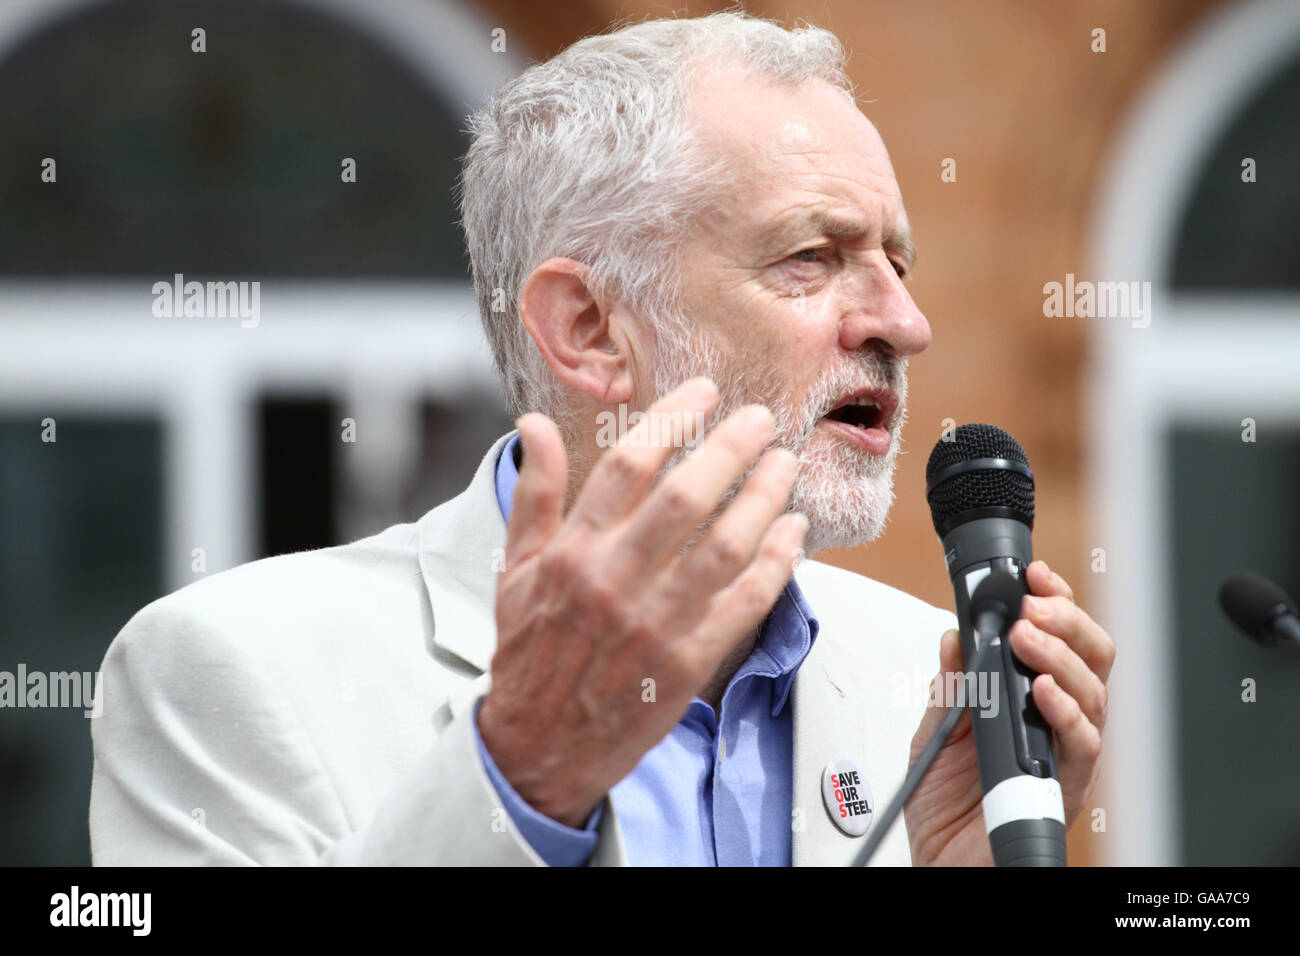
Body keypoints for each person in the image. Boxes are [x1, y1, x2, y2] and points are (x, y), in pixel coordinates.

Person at [89, 11, 1114, 866]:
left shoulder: (921, 674)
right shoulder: (231, 670)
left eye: (897, 261)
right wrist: (523, 773)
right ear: (588, 329)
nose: (902, 322)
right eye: (812, 256)